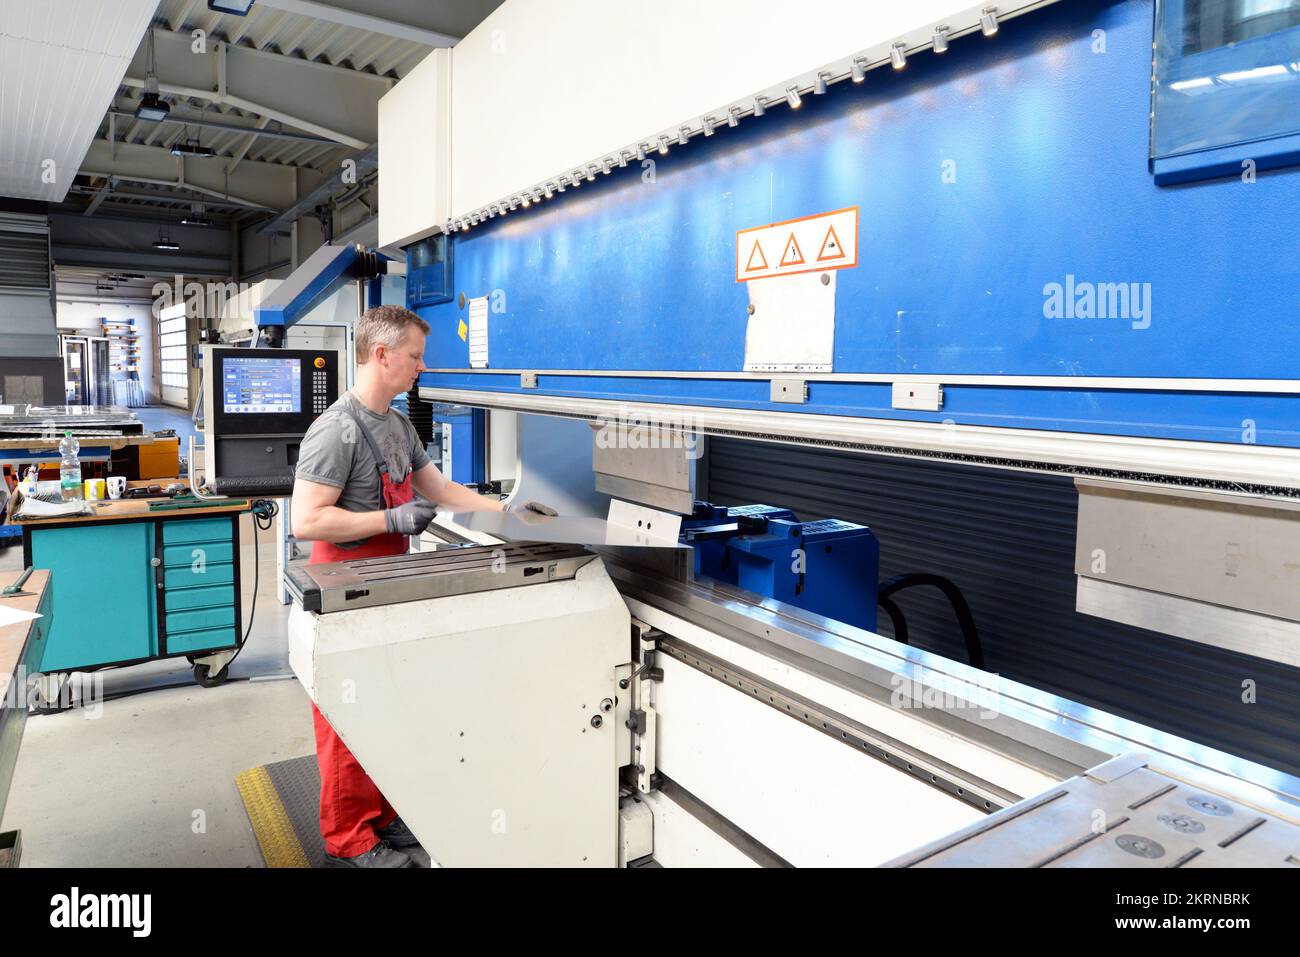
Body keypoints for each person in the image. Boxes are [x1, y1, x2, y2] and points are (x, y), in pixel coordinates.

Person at [291, 304, 554, 867]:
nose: (422, 367)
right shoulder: (336, 429)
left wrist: (509, 510)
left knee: (388, 706)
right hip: (342, 587)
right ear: (382, 355)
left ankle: (384, 814)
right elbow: (306, 520)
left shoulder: (398, 424)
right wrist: (387, 520)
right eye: (415, 357)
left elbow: (438, 487)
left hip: (388, 581)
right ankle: (350, 836)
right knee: (346, 716)